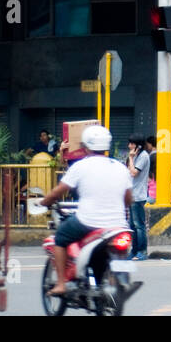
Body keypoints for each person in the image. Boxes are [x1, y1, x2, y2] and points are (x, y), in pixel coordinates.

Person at [40, 125, 132, 295]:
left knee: (60, 237)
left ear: (85, 146)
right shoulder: (120, 167)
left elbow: (58, 192)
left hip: (88, 222)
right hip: (118, 225)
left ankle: (60, 283)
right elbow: (128, 200)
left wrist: (44, 202)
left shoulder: (80, 166)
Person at [125, 134, 150, 260]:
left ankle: (142, 251)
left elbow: (134, 173)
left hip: (138, 195)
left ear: (138, 145)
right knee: (133, 226)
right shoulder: (136, 156)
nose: (129, 146)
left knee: (139, 225)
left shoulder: (143, 156)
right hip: (132, 194)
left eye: (132, 144)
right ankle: (134, 251)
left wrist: (130, 158)